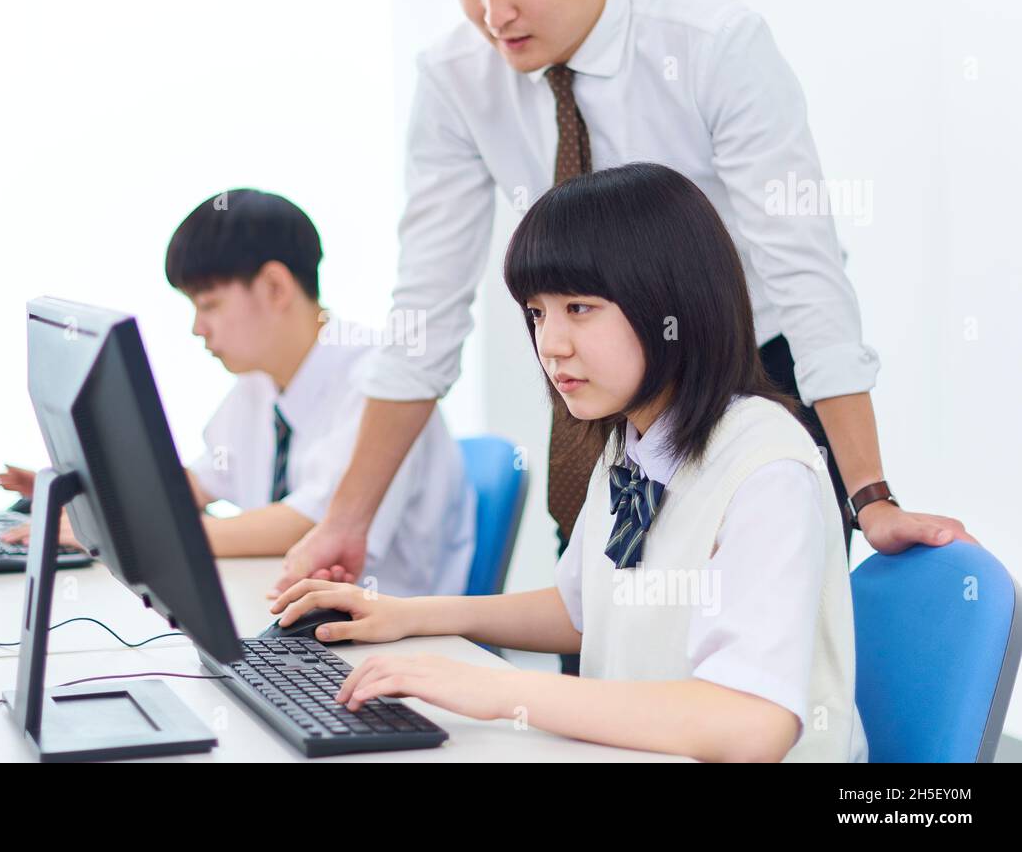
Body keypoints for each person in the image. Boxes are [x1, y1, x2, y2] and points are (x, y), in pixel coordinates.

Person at [274, 0, 973, 608]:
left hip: (746, 372)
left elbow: (808, 275)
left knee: (740, 638)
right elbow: (424, 310)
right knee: (606, 628)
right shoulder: (456, 77)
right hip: (610, 398)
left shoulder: (710, 41)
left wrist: (870, 494)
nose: (494, 13)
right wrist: (346, 521)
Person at [268, 164, 867, 762]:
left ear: (675, 305)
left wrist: (501, 690)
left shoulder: (765, 468)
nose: (550, 343)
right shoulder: (629, 444)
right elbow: (582, 611)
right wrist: (409, 615)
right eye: (537, 313)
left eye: (579, 308)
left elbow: (752, 725)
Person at [0, 188, 475, 598]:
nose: (197, 328)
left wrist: (135, 537)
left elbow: (306, 524)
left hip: (390, 641)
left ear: (274, 287)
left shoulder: (382, 385)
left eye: (209, 305)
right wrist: (89, 494)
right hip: (297, 617)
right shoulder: (258, 385)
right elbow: (197, 485)